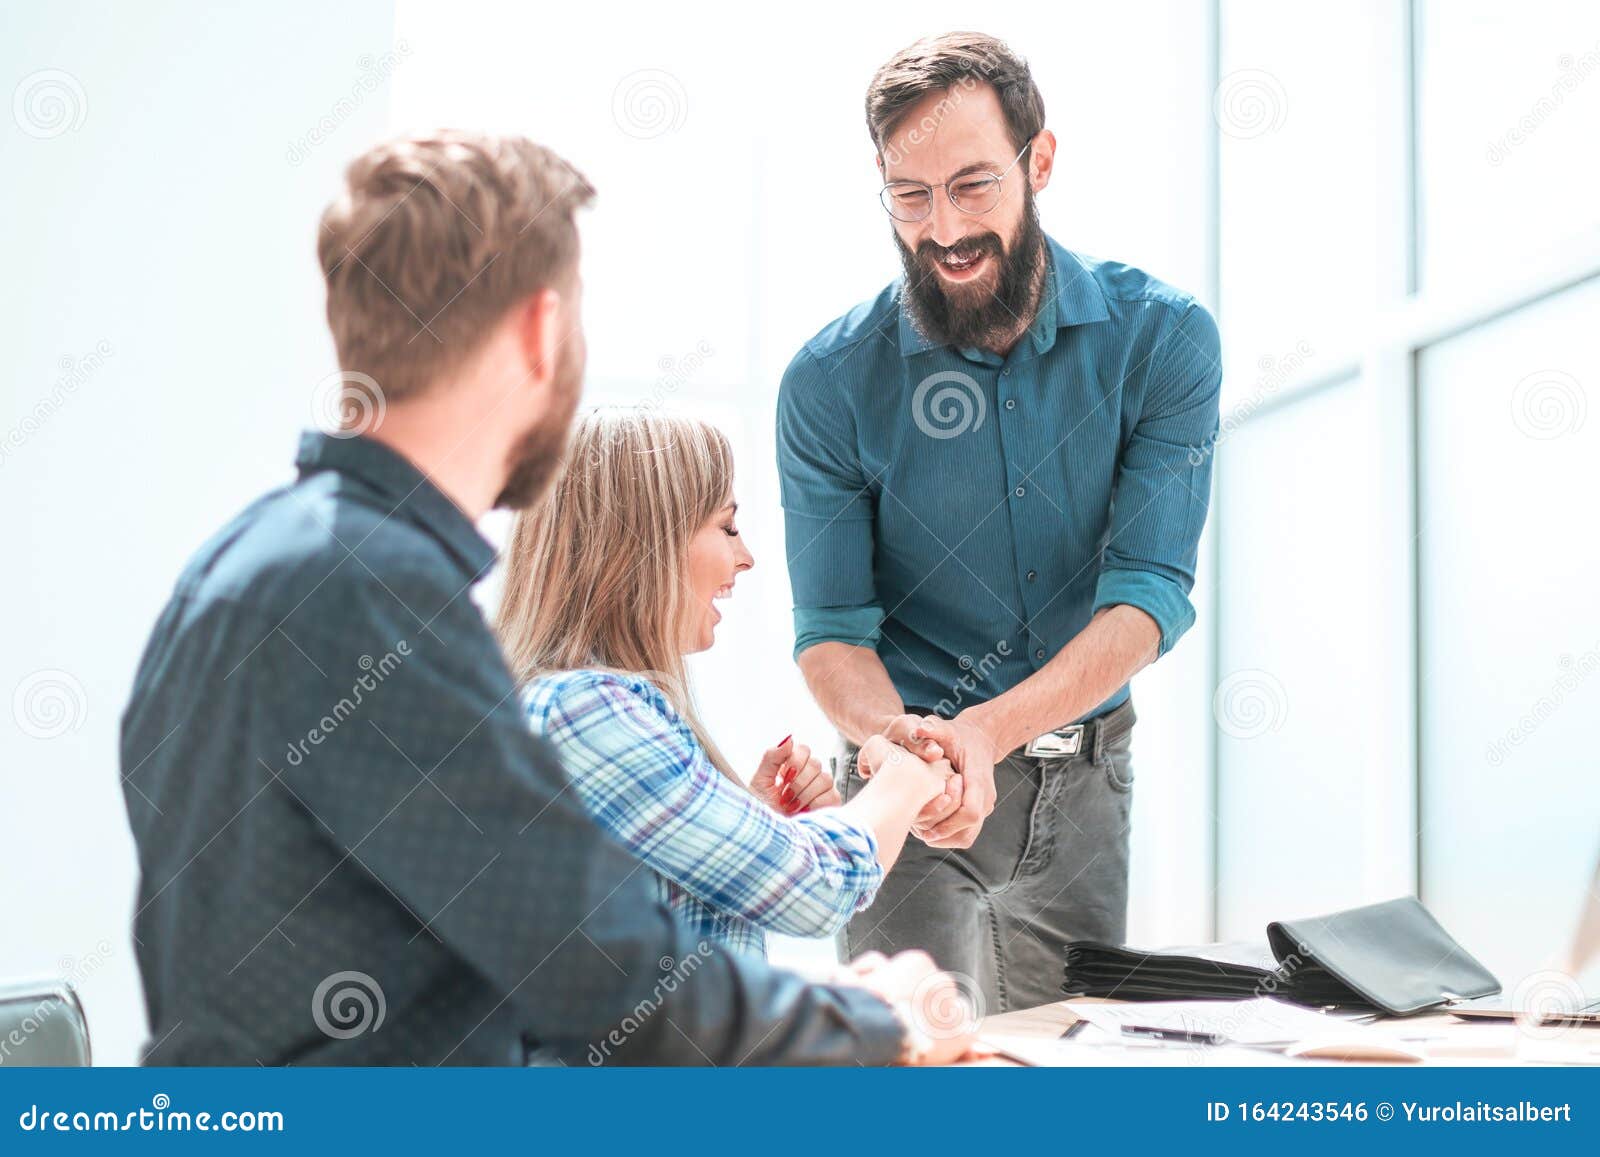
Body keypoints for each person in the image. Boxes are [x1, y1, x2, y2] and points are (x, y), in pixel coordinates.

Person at [120, 130, 975, 1065]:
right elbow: (597, 968)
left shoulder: (243, 563)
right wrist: (873, 1019)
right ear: (538, 331)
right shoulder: (374, 595)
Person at [777, 33, 1223, 1012]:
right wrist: (916, 751)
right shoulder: (828, 381)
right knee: (910, 1075)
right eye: (910, 195)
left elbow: (1148, 592)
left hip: (1089, 785)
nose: (943, 228)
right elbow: (831, 633)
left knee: (1065, 1072)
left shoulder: (1161, 337)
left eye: (974, 185)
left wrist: (985, 731)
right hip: (910, 793)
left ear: (1041, 161)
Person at [497, 408, 958, 959]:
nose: (746, 558)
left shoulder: (565, 707)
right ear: (646, 541)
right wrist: (907, 776)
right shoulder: (585, 711)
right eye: (727, 527)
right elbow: (819, 890)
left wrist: (750, 826)